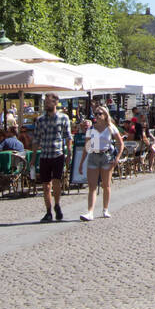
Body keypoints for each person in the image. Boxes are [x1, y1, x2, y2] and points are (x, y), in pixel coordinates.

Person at [31, 93, 72, 222]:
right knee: (45, 185)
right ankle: (48, 211)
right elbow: (36, 139)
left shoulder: (63, 118)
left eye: (48, 102)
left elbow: (68, 136)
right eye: (45, 102)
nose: (46, 105)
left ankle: (57, 204)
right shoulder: (40, 120)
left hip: (57, 154)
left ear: (55, 103)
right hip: (44, 155)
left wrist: (69, 152)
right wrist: (33, 157)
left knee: (56, 181)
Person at [80, 105, 124, 221]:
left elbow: (120, 143)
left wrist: (117, 158)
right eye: (96, 114)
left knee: (106, 185)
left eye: (100, 113)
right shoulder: (91, 129)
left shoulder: (110, 127)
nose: (98, 116)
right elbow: (87, 146)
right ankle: (90, 212)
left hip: (106, 156)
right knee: (92, 186)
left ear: (105, 115)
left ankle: (105, 209)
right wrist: (81, 163)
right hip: (93, 156)